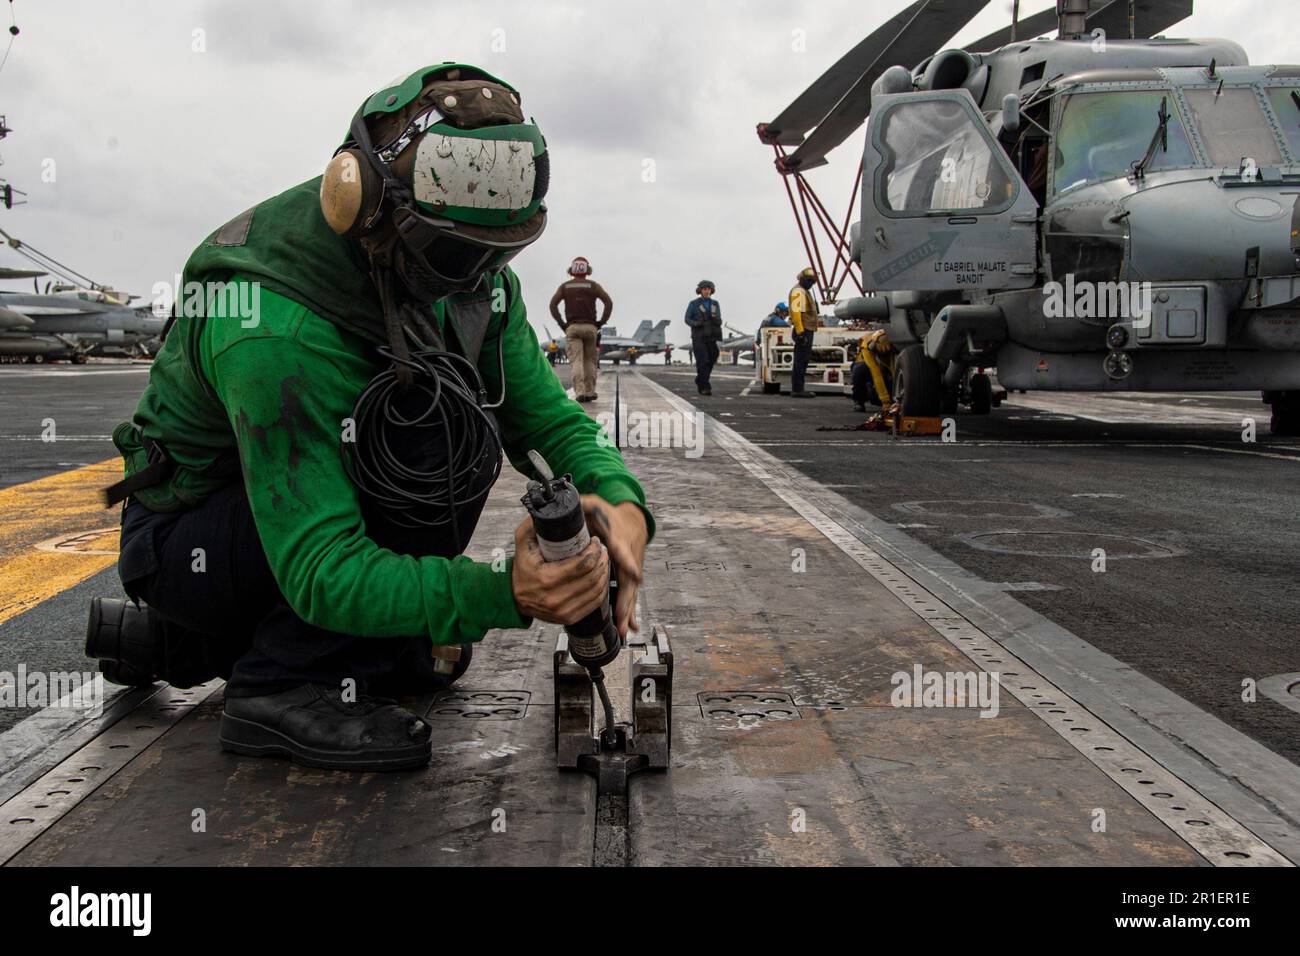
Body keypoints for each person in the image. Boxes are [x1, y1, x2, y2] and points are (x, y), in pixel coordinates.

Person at [85, 63, 652, 773]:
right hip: (193, 538)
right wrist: (504, 592)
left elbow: (548, 424)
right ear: (358, 200)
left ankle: (177, 645)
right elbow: (321, 569)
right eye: (452, 253)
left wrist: (620, 504)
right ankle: (281, 684)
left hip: (263, 537)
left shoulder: (468, 274)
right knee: (430, 442)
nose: (475, 277)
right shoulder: (271, 325)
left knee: (421, 646)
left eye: (499, 254)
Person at [548, 256, 613, 402]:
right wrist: (601, 322)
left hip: (572, 327)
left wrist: (562, 324)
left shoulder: (565, 287)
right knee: (590, 361)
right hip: (591, 328)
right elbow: (608, 302)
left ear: (571, 270)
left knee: (577, 360)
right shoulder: (593, 286)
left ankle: (580, 392)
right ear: (587, 270)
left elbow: (553, 305)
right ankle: (590, 391)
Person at [684, 279, 722, 395]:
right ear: (700, 290)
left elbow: (718, 317)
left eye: (708, 289)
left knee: (713, 356)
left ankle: (700, 379)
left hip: (711, 336)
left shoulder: (715, 304)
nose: (706, 291)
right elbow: (687, 319)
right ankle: (705, 386)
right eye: (704, 289)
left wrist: (718, 321)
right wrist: (696, 323)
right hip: (699, 336)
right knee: (703, 361)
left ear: (711, 290)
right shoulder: (694, 304)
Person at [789, 267, 819, 398]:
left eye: (813, 281)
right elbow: (796, 313)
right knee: (801, 360)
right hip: (803, 330)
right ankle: (797, 389)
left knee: (803, 360)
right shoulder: (799, 291)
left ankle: (799, 388)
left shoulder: (804, 291)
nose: (811, 284)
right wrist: (800, 333)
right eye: (809, 281)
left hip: (806, 329)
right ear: (801, 279)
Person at [851, 328, 896, 413]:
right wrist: (885, 401)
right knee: (860, 370)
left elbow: (894, 370)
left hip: (883, 368)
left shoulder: (893, 341)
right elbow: (876, 374)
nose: (884, 352)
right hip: (866, 366)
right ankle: (859, 400)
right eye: (882, 350)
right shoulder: (866, 346)